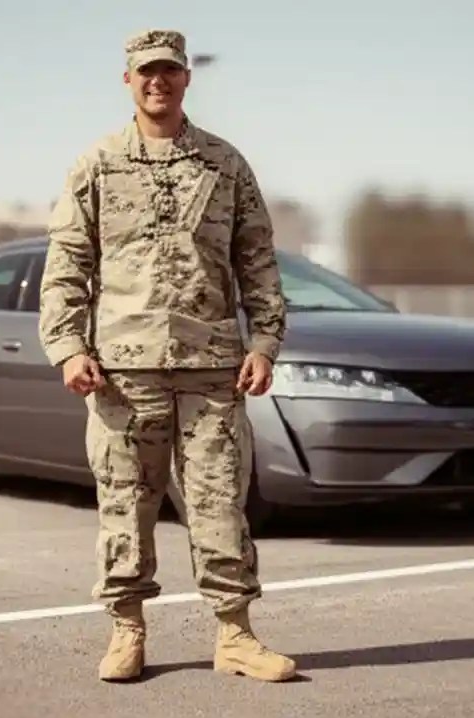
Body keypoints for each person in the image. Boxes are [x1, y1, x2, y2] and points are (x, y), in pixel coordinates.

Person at [37, 28, 296, 684]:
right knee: (126, 503)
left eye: (170, 71)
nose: (159, 81)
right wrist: (68, 347)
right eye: (147, 71)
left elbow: (258, 260)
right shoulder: (97, 164)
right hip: (125, 372)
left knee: (220, 502)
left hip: (212, 368)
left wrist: (265, 342)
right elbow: (67, 264)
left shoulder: (224, 164)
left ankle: (235, 635)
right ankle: (127, 630)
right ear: (128, 79)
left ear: (187, 78)